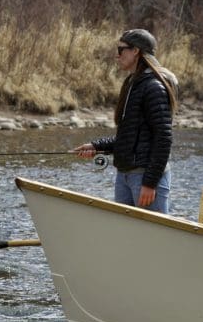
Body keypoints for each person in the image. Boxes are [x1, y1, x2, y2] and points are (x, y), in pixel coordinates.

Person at [73, 29, 178, 213]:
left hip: (145, 179)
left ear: (135, 51)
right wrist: (96, 146)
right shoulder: (133, 84)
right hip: (125, 176)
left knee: (152, 239)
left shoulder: (153, 87)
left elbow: (164, 138)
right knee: (127, 238)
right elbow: (130, 137)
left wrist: (150, 182)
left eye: (121, 49)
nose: (117, 55)